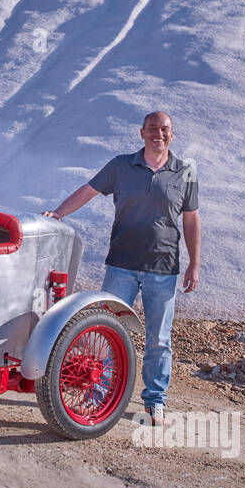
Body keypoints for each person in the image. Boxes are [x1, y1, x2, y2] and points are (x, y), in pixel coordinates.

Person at [42, 111, 201, 425]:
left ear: (173, 133)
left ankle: (155, 402)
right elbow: (88, 190)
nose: (159, 133)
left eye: (165, 129)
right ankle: (97, 395)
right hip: (121, 266)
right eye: (153, 128)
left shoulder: (185, 172)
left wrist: (194, 264)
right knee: (104, 331)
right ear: (141, 133)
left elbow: (191, 218)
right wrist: (59, 212)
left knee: (159, 340)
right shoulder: (120, 166)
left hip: (163, 267)